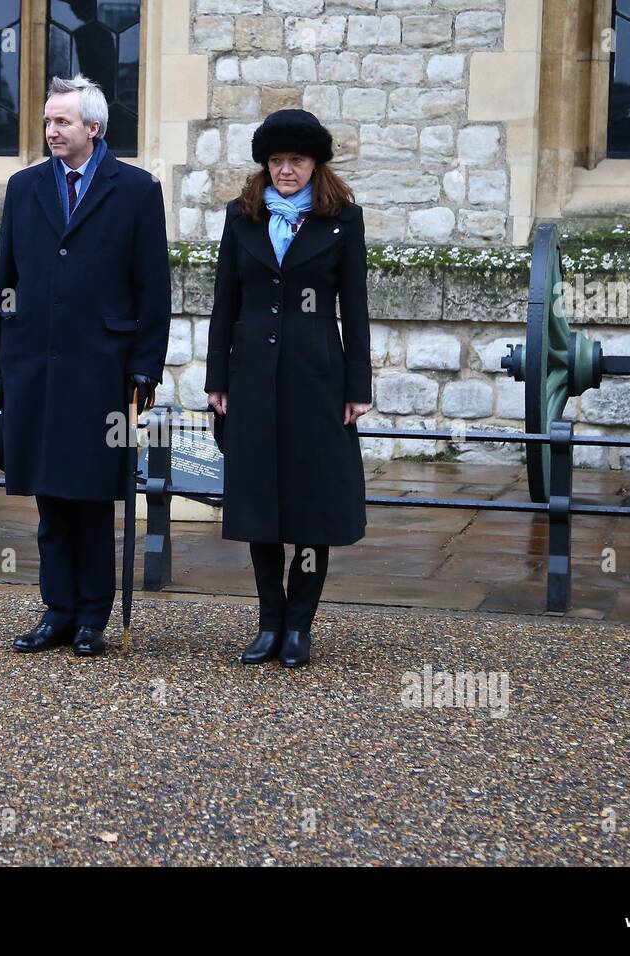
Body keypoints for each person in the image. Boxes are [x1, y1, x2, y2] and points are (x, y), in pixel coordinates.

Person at [0, 74, 171, 657]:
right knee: (48, 496)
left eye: (61, 121)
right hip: (34, 363)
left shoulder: (136, 190)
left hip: (101, 367)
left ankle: (93, 614)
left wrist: (145, 366)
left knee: (91, 497)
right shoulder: (24, 187)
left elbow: (153, 287)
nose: (50, 130)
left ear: (93, 127)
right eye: (46, 121)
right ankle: (57, 610)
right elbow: (6, 279)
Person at [204, 109, 373, 669]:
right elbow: (224, 302)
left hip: (317, 381)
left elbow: (355, 307)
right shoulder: (242, 217)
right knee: (259, 505)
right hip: (250, 378)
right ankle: (268, 622)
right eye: (276, 161)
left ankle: (299, 626)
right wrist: (216, 380)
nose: (285, 170)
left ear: (314, 163)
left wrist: (358, 386)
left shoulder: (342, 220)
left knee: (309, 506)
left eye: (295, 160)